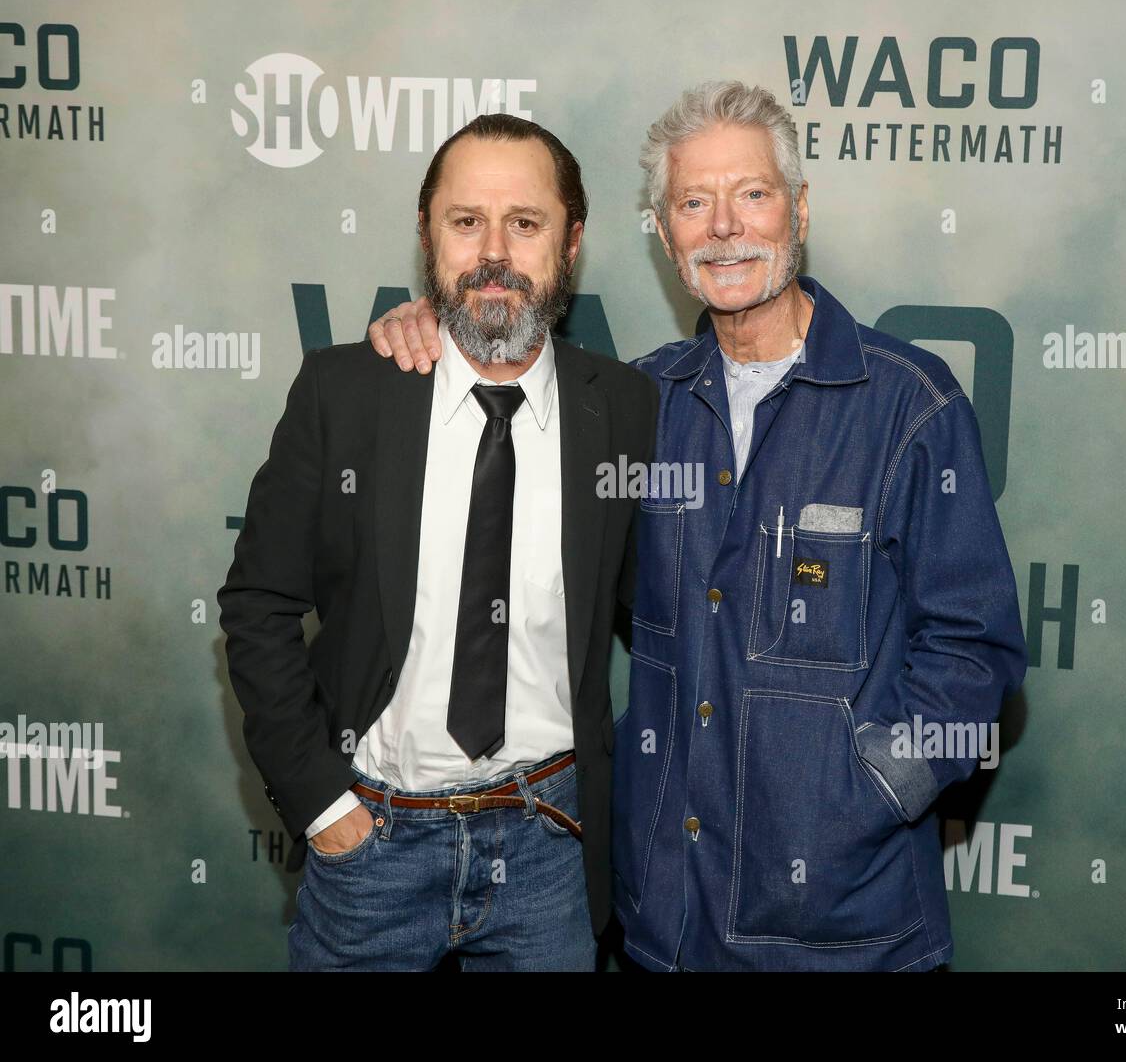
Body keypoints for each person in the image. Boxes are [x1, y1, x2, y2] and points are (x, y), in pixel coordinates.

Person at [369, 81, 1028, 971]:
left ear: (799, 207)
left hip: (846, 932)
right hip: (665, 920)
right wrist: (429, 331)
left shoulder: (908, 405)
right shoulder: (636, 405)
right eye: (692, 202)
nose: (723, 226)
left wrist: (863, 793)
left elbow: (977, 652)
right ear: (665, 231)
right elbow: (500, 363)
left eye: (750, 194)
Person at [218, 113, 658, 970]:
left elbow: (665, 616)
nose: (494, 251)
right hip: (369, 849)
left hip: (549, 849)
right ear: (428, 238)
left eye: (525, 223)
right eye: (466, 222)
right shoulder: (344, 393)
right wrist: (322, 806)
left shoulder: (628, 410)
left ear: (571, 243)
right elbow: (257, 607)